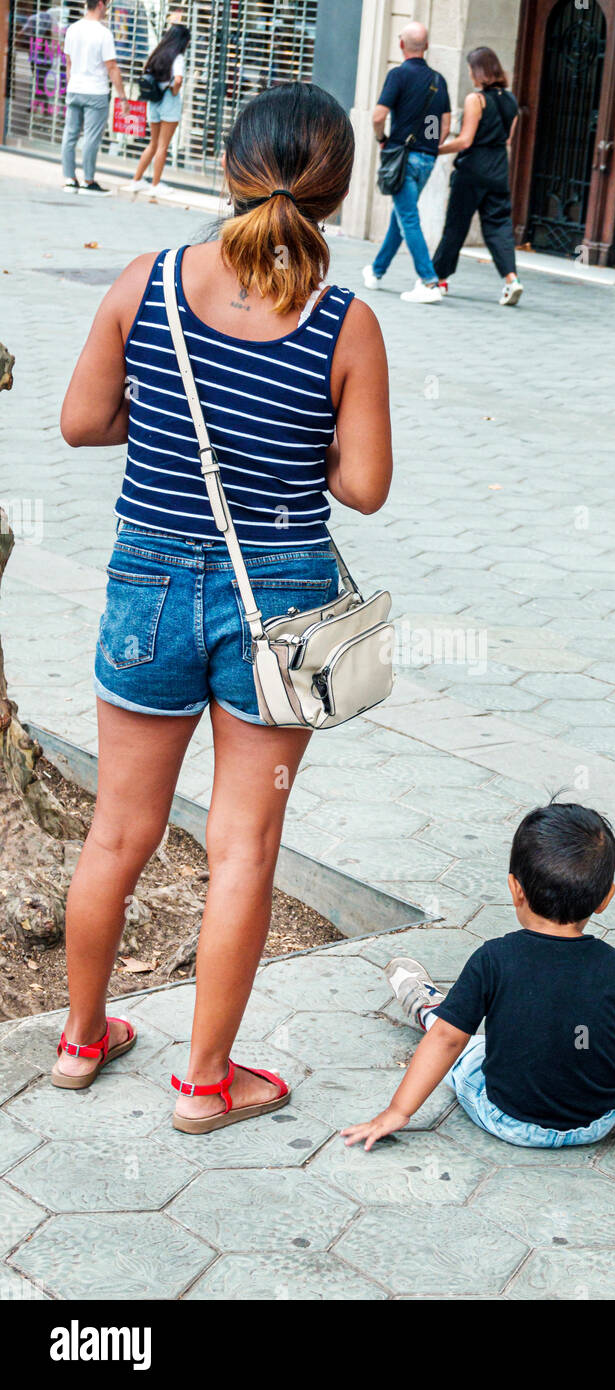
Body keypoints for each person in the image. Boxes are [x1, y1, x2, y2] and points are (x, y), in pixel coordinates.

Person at [57, 83, 393, 1133]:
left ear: (228, 170)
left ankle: (79, 1040)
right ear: (335, 196)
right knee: (244, 846)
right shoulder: (345, 322)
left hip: (148, 581)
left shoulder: (146, 282)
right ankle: (204, 1084)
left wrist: (167, 444)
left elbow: (80, 422)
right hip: (278, 604)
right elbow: (365, 487)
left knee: (118, 831)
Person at [342, 802, 615, 1173]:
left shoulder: (493, 958)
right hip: (596, 1123)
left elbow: (448, 1040)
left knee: (466, 1044)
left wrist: (398, 1112)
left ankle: (430, 1010)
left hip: (509, 1121)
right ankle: (442, 1009)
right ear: (606, 899)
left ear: (515, 889)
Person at [362, 21, 451, 305]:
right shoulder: (438, 81)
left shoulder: (398, 75)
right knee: (400, 218)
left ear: (402, 45)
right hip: (426, 159)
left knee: (408, 218)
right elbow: (441, 125)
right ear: (426, 47)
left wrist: (382, 139)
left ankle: (429, 281)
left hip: (402, 159)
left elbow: (378, 116)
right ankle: (376, 271)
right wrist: (427, 144)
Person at [433, 46, 523, 305]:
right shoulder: (511, 100)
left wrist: (435, 150)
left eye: (472, 69)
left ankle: (438, 278)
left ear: (479, 71)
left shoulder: (476, 99)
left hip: (472, 170)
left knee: (456, 226)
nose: (471, 75)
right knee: (499, 226)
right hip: (498, 169)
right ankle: (512, 280)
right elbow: (507, 138)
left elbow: (465, 141)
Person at [61, 0, 128, 195]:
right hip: (96, 91)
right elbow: (112, 67)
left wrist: (70, 85)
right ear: (100, 4)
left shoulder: (73, 29)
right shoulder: (103, 33)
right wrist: (122, 97)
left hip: (75, 88)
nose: (107, 8)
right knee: (91, 137)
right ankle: (88, 182)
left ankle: (70, 179)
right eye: (107, 4)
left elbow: (68, 62)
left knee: (70, 134)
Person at [127, 23, 191, 195]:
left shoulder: (157, 53)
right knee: (163, 146)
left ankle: (137, 180)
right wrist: (175, 90)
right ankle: (155, 185)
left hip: (153, 101)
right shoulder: (177, 58)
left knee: (153, 143)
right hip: (169, 101)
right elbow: (177, 80)